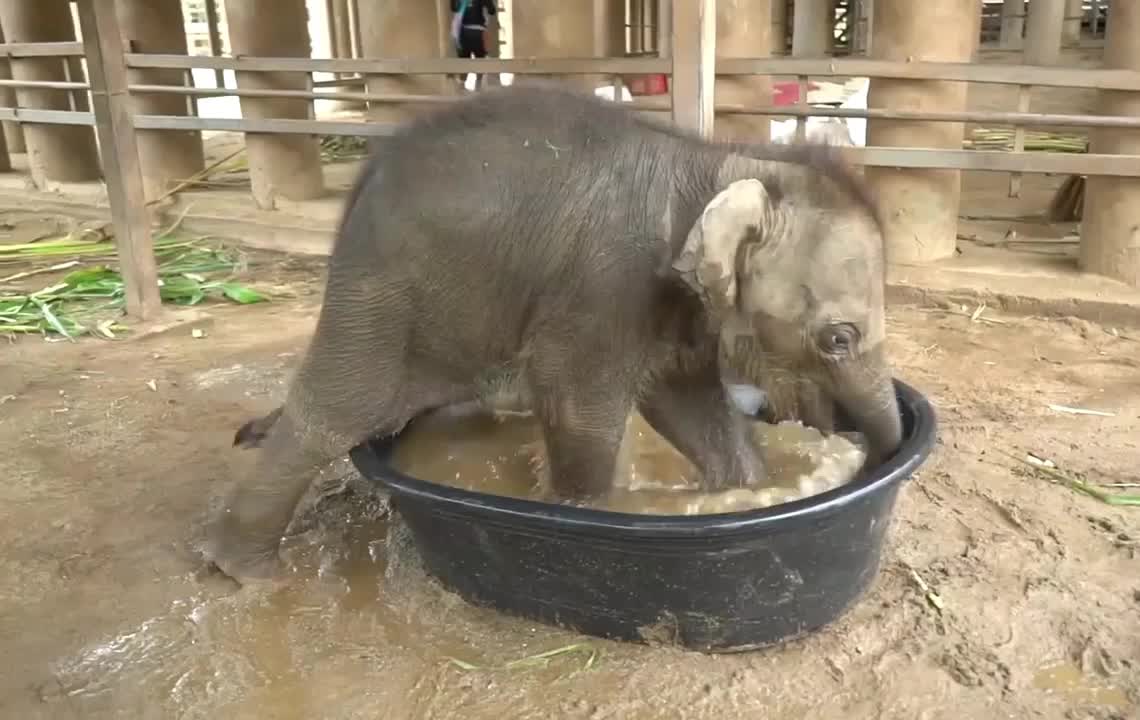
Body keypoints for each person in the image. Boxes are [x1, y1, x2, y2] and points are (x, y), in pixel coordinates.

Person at [450, 0, 498, 89]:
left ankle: (462, 84)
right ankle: (478, 85)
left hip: (463, 32)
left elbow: (453, 8)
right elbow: (492, 11)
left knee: (464, 61)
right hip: (478, 32)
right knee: (480, 60)